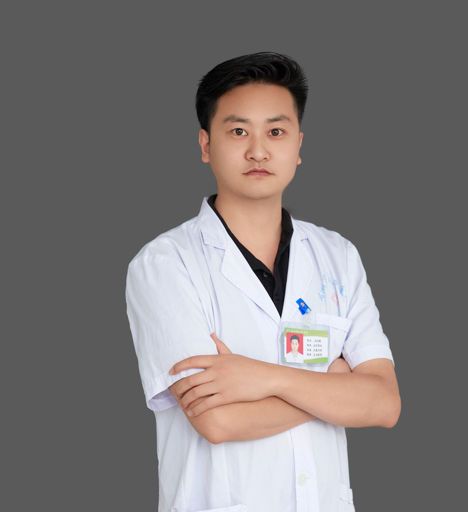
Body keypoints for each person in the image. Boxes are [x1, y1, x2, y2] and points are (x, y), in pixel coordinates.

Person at [126, 51, 400, 512]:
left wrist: (261, 377)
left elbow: (385, 404)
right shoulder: (164, 264)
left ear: (298, 145)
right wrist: (333, 384)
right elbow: (218, 422)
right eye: (238, 131)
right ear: (205, 144)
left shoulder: (338, 255)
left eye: (276, 131)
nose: (258, 151)